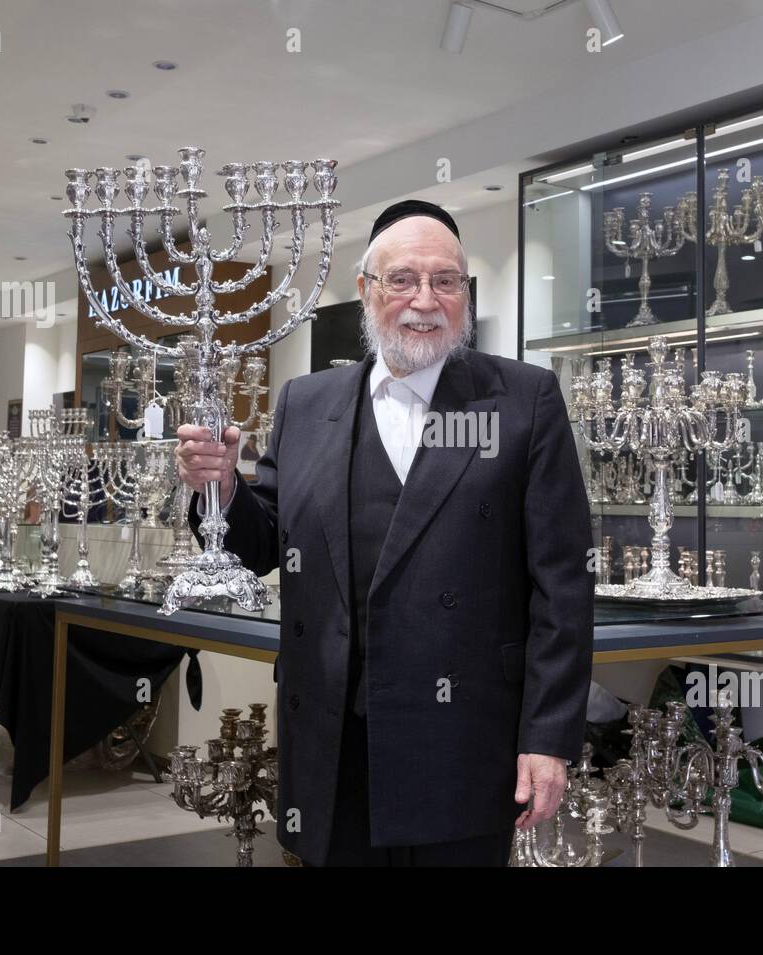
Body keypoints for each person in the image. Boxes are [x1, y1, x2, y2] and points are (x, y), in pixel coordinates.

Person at [177, 199, 592, 866]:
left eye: (445, 281)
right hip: (331, 739)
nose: (423, 300)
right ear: (367, 291)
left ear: (464, 293)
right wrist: (221, 488)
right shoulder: (306, 404)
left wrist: (547, 739)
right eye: (401, 279)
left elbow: (564, 586)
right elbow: (262, 545)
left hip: (463, 740)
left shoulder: (525, 401)